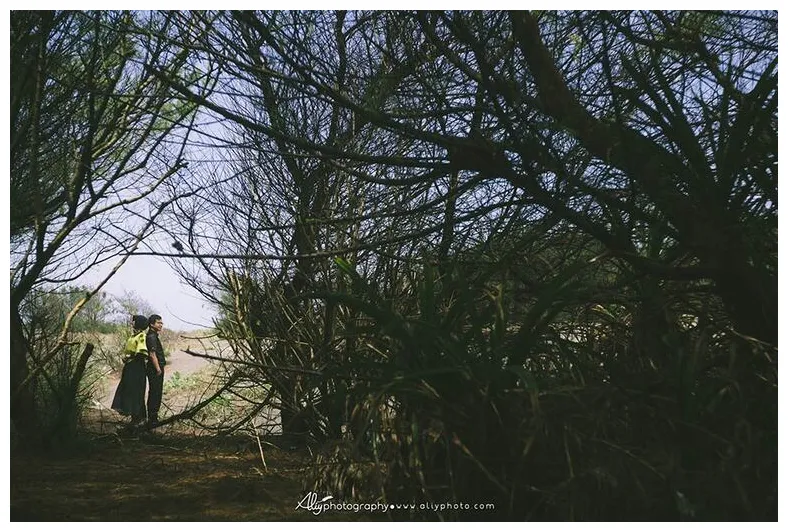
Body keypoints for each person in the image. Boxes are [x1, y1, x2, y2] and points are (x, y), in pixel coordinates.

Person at [111, 315, 149, 425]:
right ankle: (134, 417)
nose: (132, 323)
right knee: (128, 389)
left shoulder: (141, 336)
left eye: (134, 321)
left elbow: (141, 353)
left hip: (136, 367)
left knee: (135, 391)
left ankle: (138, 418)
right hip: (130, 367)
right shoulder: (133, 336)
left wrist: (129, 357)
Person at [145, 314, 166, 426]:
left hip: (155, 368)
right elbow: (152, 354)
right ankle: (152, 418)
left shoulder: (153, 335)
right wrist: (158, 369)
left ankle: (153, 417)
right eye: (158, 323)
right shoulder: (152, 337)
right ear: (152, 324)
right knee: (155, 392)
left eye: (161, 323)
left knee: (155, 392)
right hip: (154, 369)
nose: (161, 324)